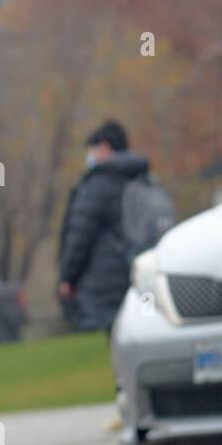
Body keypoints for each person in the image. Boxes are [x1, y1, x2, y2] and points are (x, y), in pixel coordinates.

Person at [56, 119, 153, 340]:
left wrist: (67, 277)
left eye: (92, 149)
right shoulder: (144, 180)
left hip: (104, 285)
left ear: (105, 148)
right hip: (139, 278)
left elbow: (80, 235)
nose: (90, 156)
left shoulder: (98, 184)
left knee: (115, 341)